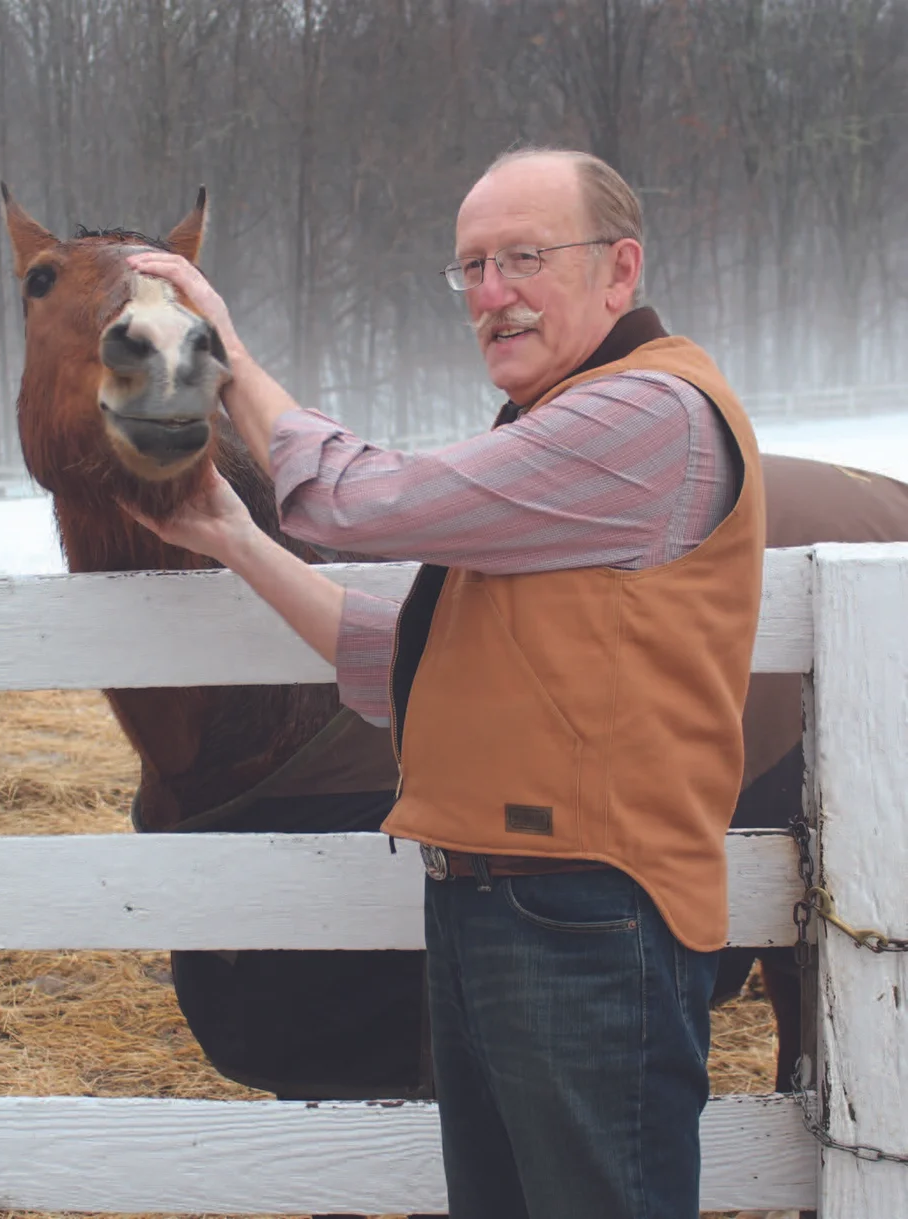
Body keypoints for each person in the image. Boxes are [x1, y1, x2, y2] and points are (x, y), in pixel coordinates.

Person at [125, 148, 766, 1219]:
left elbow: (359, 504)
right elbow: (404, 658)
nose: (490, 293)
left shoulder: (643, 416)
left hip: (584, 908)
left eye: (523, 257)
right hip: (498, 904)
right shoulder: (557, 431)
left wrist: (224, 355)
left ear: (620, 270)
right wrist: (238, 541)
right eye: (470, 267)